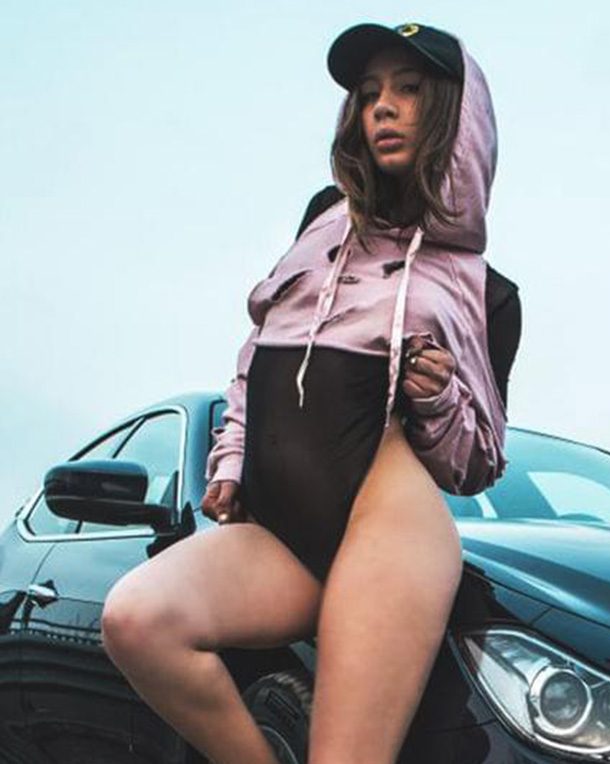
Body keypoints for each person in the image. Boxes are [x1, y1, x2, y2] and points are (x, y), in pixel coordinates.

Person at [99, 21, 507, 764]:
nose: (383, 108)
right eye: (368, 94)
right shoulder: (322, 220)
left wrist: (438, 396)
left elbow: (476, 464)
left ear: (457, 111)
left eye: (409, 89)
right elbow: (255, 352)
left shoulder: (487, 292)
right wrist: (230, 460)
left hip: (387, 529)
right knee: (137, 619)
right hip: (281, 534)